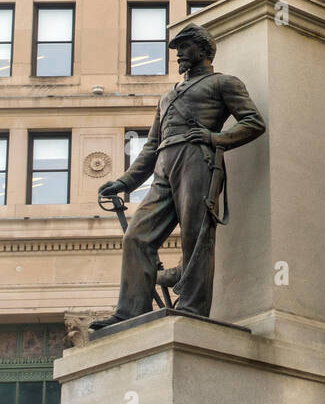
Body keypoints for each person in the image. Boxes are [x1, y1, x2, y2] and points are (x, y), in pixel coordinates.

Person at [90, 25, 266, 328]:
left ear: (204, 50)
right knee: (137, 236)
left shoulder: (223, 83)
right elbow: (151, 146)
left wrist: (215, 138)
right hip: (164, 163)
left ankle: (192, 309)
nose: (179, 54)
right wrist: (125, 182)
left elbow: (253, 122)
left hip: (198, 160)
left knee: (195, 236)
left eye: (185, 47)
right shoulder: (168, 95)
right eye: (177, 48)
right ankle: (132, 311)